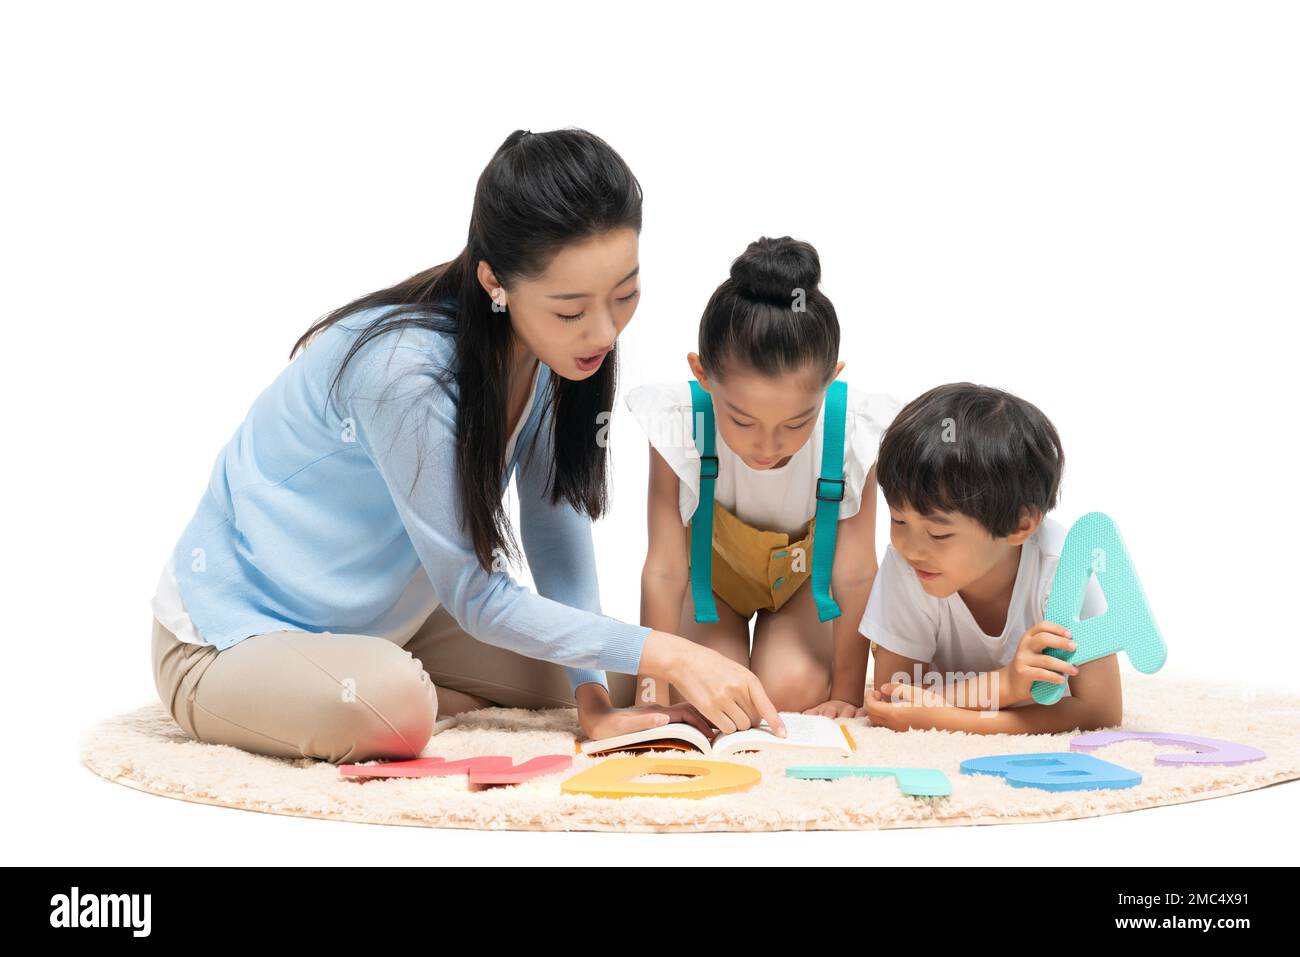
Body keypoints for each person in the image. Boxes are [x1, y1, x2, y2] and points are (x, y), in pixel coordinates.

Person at [150, 128, 785, 765]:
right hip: (229, 638)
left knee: (618, 671)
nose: (603, 329)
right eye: (570, 310)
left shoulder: (548, 354)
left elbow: (555, 531)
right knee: (398, 707)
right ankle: (390, 694)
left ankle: (398, 684)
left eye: (624, 295)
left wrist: (595, 705)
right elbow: (476, 598)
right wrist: (669, 648)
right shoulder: (405, 375)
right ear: (494, 282)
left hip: (396, 621)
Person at [628, 236, 901, 718]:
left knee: (788, 692)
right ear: (703, 375)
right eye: (743, 421)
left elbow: (855, 574)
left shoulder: (854, 430)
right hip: (709, 587)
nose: (768, 446)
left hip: (799, 590)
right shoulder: (677, 423)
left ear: (830, 382)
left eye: (796, 423)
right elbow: (667, 568)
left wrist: (847, 694)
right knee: (708, 693)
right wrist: (650, 694)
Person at [857, 382, 1123, 734]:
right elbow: (894, 696)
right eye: (898, 520)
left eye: (939, 534)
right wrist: (1003, 687)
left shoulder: (1065, 569)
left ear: (1019, 524)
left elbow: (1101, 712)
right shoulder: (909, 566)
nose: (911, 547)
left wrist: (954, 713)